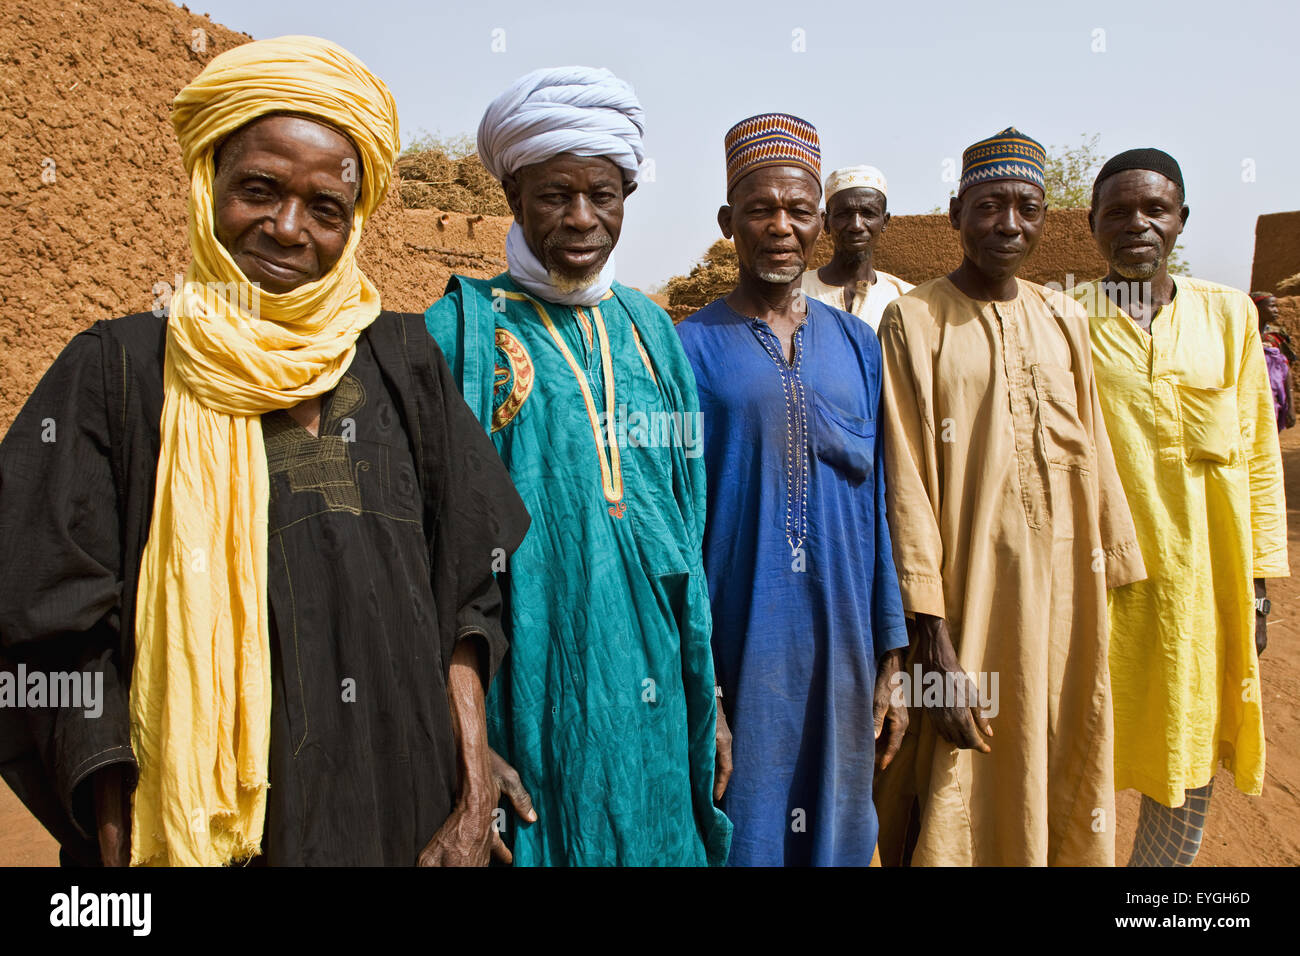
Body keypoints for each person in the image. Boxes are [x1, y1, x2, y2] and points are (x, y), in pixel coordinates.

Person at [0, 36, 529, 867]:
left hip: (411, 817)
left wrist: (470, 797)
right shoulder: (118, 371)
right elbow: (50, 629)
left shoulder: (402, 360)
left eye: (325, 208)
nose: (288, 229)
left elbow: (470, 593)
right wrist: (122, 832)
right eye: (259, 190)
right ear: (207, 181)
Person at [424, 66, 731, 866]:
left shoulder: (652, 330)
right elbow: (431, 554)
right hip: (530, 682)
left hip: (657, 684)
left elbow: (686, 526)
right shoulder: (459, 328)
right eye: (557, 195)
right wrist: (467, 745)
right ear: (513, 196)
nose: (583, 218)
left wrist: (712, 697)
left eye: (605, 195)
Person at [873, 127, 1146, 866]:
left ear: (1045, 218)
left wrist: (1113, 565)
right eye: (991, 206)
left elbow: (1094, 452)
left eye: (1027, 208)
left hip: (1066, 599)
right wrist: (932, 640)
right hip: (969, 603)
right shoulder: (915, 320)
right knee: (958, 773)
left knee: (1062, 749)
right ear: (957, 211)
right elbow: (905, 479)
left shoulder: (1064, 318)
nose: (1009, 225)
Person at [675, 115, 908, 866]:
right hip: (743, 647)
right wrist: (701, 686)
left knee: (838, 835)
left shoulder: (858, 345)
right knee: (747, 832)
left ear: (820, 222)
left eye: (798, 210)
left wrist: (892, 654)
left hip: (843, 648)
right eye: (759, 209)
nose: (781, 227)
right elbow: (677, 525)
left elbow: (879, 505)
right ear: (727, 224)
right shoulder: (686, 349)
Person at [1070, 150, 1288, 866]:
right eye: (1118, 212)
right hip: (1097, 585)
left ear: (1180, 221)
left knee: (1186, 742)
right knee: (1084, 742)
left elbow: (1257, 454)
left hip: (1201, 584)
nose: (1137, 225)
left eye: (1154, 210)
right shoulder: (1064, 316)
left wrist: (1256, 587)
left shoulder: (1226, 317)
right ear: (1094, 225)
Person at [800, 165, 913, 331]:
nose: (856, 225)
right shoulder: (796, 294)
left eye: (868, 213)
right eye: (844, 214)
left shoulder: (905, 298)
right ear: (825, 222)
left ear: (885, 222)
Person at [1251, 291, 1295, 430]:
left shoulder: (1275, 337)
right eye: (1271, 306)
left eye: (1276, 306)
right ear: (1255, 308)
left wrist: (1290, 405)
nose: (1276, 310)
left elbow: (1285, 371)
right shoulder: (1243, 335)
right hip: (1249, 397)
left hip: (1273, 398)